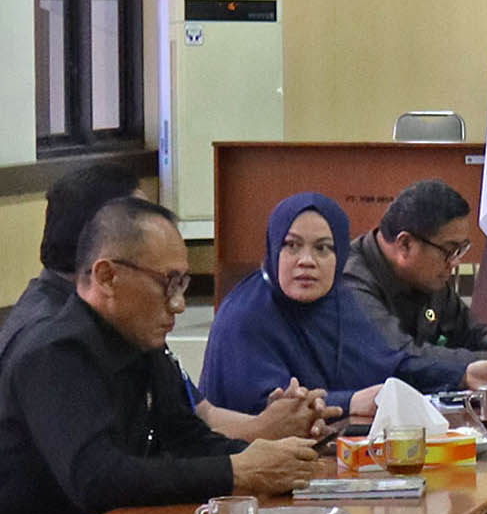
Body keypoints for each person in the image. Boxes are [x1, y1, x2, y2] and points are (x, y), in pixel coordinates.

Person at [0, 198, 319, 514]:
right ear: (107, 276)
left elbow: (187, 438)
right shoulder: (54, 353)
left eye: (182, 284)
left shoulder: (142, 342)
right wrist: (236, 470)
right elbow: (96, 478)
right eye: (168, 283)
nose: (179, 304)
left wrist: (277, 460)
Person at [0, 164, 329, 442]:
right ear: (103, 240)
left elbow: (200, 414)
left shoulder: (126, 314)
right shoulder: (51, 340)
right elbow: (109, 472)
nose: (178, 305)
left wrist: (275, 424)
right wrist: (260, 435)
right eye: (139, 218)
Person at [200, 192, 487, 421]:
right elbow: (267, 412)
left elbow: (391, 364)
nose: (306, 261)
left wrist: (462, 374)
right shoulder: (245, 318)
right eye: (291, 246)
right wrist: (350, 402)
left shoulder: (339, 304)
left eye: (322, 248)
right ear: (272, 248)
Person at [343, 179, 487, 370]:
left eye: (460, 250)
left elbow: (463, 327)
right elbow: (400, 355)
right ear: (405, 244)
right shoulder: (351, 281)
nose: (455, 262)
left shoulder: (426, 275)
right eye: (450, 250)